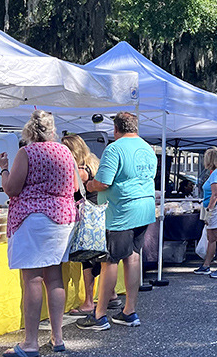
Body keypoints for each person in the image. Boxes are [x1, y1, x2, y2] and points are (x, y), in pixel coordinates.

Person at [0, 110, 78, 356]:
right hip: (62, 218)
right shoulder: (65, 152)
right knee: (54, 277)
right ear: (52, 130)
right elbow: (75, 186)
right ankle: (58, 338)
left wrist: (3, 169)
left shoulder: (27, 152)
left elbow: (12, 189)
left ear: (30, 131)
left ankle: (30, 342)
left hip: (33, 219)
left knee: (32, 278)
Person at [77, 111, 157, 331]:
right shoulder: (148, 149)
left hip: (121, 210)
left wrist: (89, 185)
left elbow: (103, 182)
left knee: (109, 260)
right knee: (132, 257)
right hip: (145, 207)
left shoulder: (114, 148)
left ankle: (100, 314)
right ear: (135, 128)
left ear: (116, 129)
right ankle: (129, 311)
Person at [61, 134, 121, 317]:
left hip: (88, 218)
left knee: (87, 259)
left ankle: (88, 302)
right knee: (101, 257)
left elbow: (71, 193)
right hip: (100, 215)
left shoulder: (78, 170)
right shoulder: (93, 162)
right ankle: (111, 294)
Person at [194, 147, 217, 278]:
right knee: (211, 237)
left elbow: (215, 194)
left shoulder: (216, 173)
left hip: (216, 207)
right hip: (215, 206)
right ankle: (207, 265)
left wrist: (208, 211)